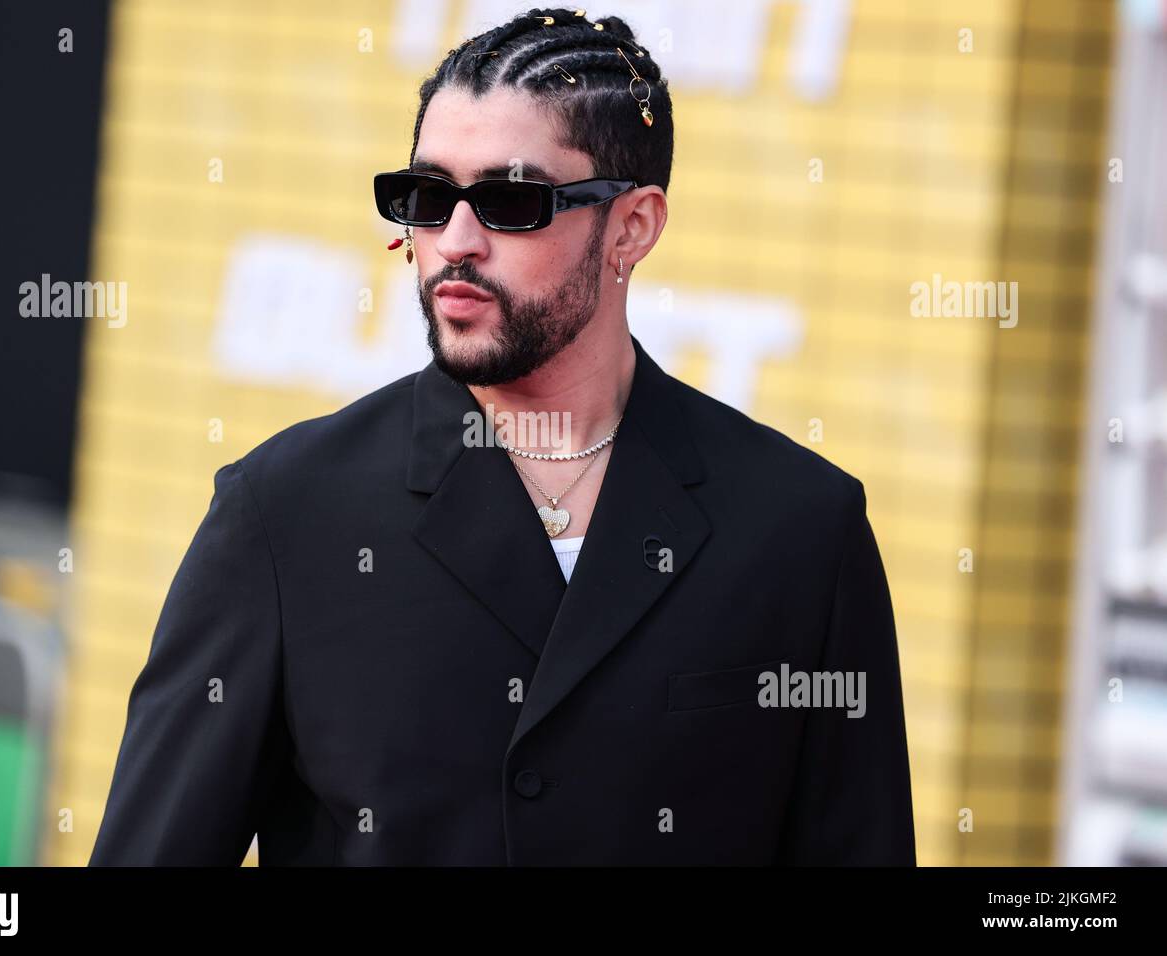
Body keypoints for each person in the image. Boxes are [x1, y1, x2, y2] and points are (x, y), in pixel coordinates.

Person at [90, 7, 916, 866]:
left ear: (633, 226)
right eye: (426, 197)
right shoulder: (283, 515)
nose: (454, 242)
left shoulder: (801, 530)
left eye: (510, 201)